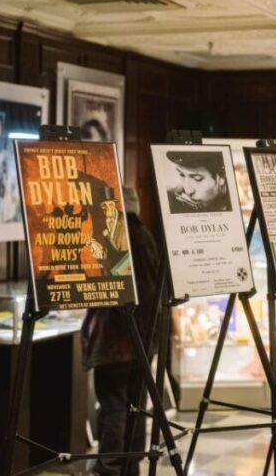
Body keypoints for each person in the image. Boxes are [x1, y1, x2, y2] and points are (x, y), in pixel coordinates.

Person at [82, 187, 160, 476]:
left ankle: (108, 467)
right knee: (137, 404)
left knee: (113, 403)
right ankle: (131, 463)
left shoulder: (111, 237)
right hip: (143, 338)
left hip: (114, 340)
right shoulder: (145, 237)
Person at [165, 151, 232, 213]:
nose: (188, 191)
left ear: (221, 176)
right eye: (182, 175)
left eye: (197, 179)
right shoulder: (171, 199)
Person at [89, 186, 132, 276]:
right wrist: (99, 250)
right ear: (101, 207)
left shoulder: (125, 219)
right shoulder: (101, 223)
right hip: (113, 269)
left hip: (128, 267)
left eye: (110, 204)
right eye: (104, 205)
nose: (107, 208)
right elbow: (110, 248)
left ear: (114, 205)